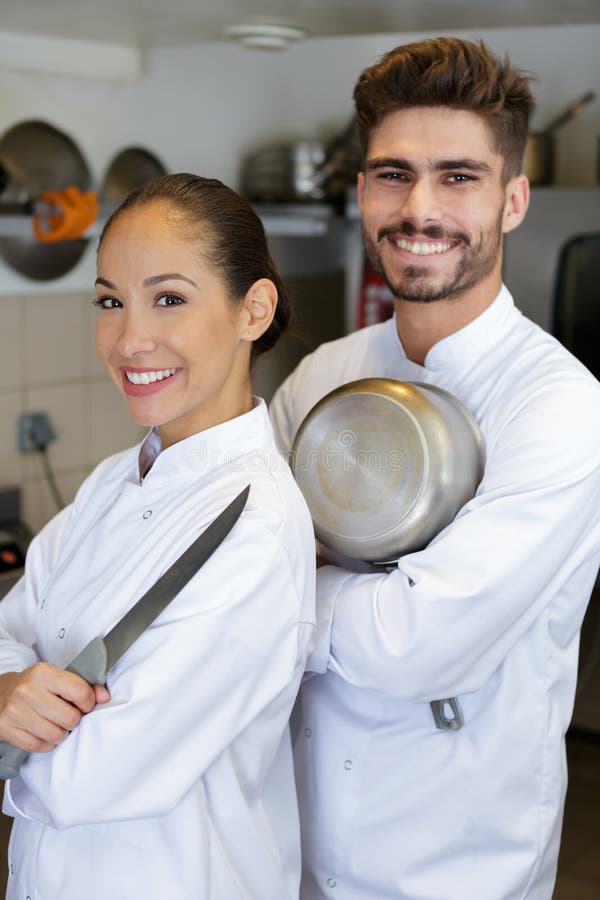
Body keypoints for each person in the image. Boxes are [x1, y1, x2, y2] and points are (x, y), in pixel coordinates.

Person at [270, 37, 600, 900]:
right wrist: (340, 597)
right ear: (361, 189)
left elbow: (412, 646)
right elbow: (237, 546)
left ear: (513, 199)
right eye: (392, 174)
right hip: (291, 841)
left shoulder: (559, 406)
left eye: (459, 176)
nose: (419, 207)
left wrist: (293, 589)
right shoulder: (324, 374)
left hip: (454, 863)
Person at [0, 173, 316, 900]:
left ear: (253, 310)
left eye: (169, 299)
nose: (128, 338)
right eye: (111, 300)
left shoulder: (255, 530)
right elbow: (10, 628)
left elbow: (84, 779)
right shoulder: (114, 481)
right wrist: (11, 688)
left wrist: (14, 707)